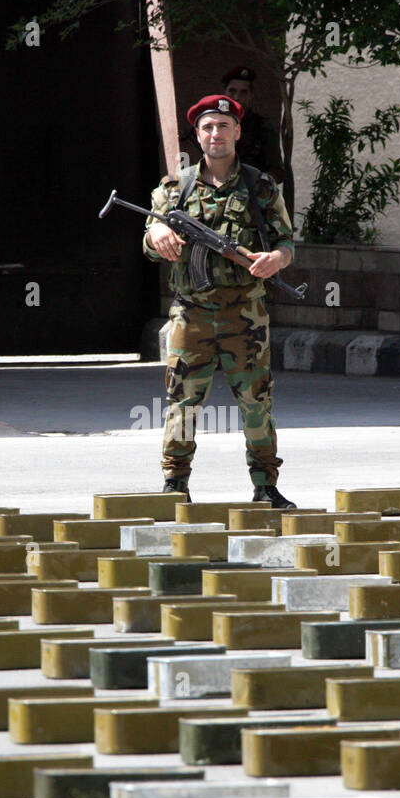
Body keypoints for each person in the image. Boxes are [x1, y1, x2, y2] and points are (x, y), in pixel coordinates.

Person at [142, 94, 296, 508]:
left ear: (237, 133)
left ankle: (265, 485)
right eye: (207, 127)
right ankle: (175, 484)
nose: (215, 134)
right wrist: (156, 236)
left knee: (256, 401)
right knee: (182, 401)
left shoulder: (260, 186)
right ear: (198, 135)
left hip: (245, 313)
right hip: (190, 314)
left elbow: (285, 242)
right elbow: (150, 240)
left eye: (223, 126)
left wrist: (275, 259)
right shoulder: (175, 188)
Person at [221, 66, 285, 184]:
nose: (236, 98)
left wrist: (261, 184)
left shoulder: (263, 126)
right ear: (224, 93)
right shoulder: (214, 125)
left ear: (251, 95)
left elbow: (277, 170)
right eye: (232, 91)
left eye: (243, 93)